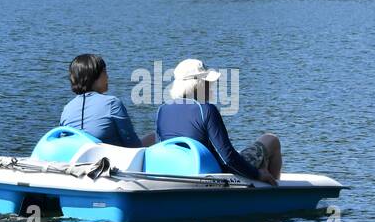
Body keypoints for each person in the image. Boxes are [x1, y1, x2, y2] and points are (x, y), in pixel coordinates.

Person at [155, 58, 281, 186]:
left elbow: (163, 147)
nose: (212, 87)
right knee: (271, 140)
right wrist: (257, 174)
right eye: (208, 83)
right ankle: (274, 190)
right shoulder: (206, 110)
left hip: (177, 171)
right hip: (210, 173)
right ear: (197, 85)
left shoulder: (162, 110)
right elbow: (227, 159)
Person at [60, 54, 156, 148]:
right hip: (107, 161)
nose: (108, 77)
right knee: (155, 136)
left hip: (75, 160)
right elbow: (133, 145)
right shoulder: (112, 104)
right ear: (94, 76)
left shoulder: (67, 109)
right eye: (105, 72)